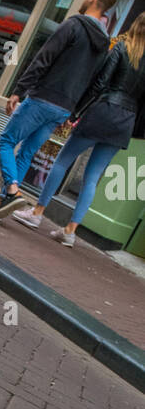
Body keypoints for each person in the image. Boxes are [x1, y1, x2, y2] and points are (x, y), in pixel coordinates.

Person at [0, 0, 118, 219]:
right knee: (27, 152)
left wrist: (19, 90)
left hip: (43, 98)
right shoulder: (105, 42)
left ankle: (12, 192)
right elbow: (96, 83)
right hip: (64, 109)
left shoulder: (73, 25)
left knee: (5, 141)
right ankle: (1, 201)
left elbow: (43, 59)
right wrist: (74, 113)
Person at [11, 13, 145, 246]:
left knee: (63, 161)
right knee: (93, 176)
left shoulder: (122, 47)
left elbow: (100, 83)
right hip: (125, 121)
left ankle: (37, 213)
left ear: (135, 25)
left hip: (103, 112)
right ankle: (70, 231)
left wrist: (76, 113)